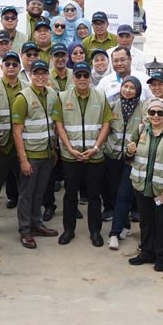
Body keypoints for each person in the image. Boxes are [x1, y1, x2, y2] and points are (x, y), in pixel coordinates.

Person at [55, 61, 112, 247]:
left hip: (94, 157)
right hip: (71, 156)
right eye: (78, 75)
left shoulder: (101, 97)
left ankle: (95, 231)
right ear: (73, 78)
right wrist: (70, 148)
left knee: (95, 196)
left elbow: (106, 124)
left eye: (85, 75)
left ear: (90, 77)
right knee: (70, 195)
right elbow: (59, 125)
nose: (82, 79)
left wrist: (95, 147)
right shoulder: (62, 97)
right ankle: (68, 230)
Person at [11, 60, 62, 249]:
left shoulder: (52, 95)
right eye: (36, 73)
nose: (40, 77)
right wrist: (23, 159)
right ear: (30, 75)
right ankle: (25, 230)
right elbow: (17, 131)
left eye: (44, 73)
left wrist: (54, 149)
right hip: (30, 155)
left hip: (47, 154)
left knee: (39, 193)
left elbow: (53, 124)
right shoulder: (22, 98)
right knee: (26, 194)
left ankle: (36, 223)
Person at [126, 97, 163, 271]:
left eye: (160, 113)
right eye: (152, 112)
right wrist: (129, 151)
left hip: (160, 189)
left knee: (161, 223)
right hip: (141, 185)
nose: (156, 116)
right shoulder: (141, 131)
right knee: (145, 221)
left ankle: (161, 257)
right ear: (148, 113)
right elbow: (128, 155)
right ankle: (146, 252)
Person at [104, 76, 145, 249]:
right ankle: (125, 225)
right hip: (111, 157)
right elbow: (105, 130)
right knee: (114, 193)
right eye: (125, 86)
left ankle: (113, 234)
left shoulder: (144, 110)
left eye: (132, 87)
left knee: (123, 195)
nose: (128, 90)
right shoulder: (113, 106)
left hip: (130, 161)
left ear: (138, 91)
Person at [0, 51, 28, 215]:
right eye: (7, 64)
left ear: (19, 67)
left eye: (14, 64)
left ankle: (28, 224)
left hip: (23, 145)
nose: (11, 67)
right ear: (1, 66)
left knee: (26, 188)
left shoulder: (27, 87)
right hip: (2, 146)